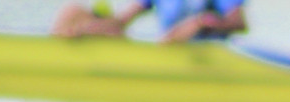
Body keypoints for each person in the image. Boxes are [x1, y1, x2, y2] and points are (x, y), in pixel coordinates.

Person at [52, 0, 245, 42]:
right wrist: (88, 27)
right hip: (168, 45)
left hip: (208, 51)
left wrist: (201, 22)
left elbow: (239, 23)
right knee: (72, 11)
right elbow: (121, 23)